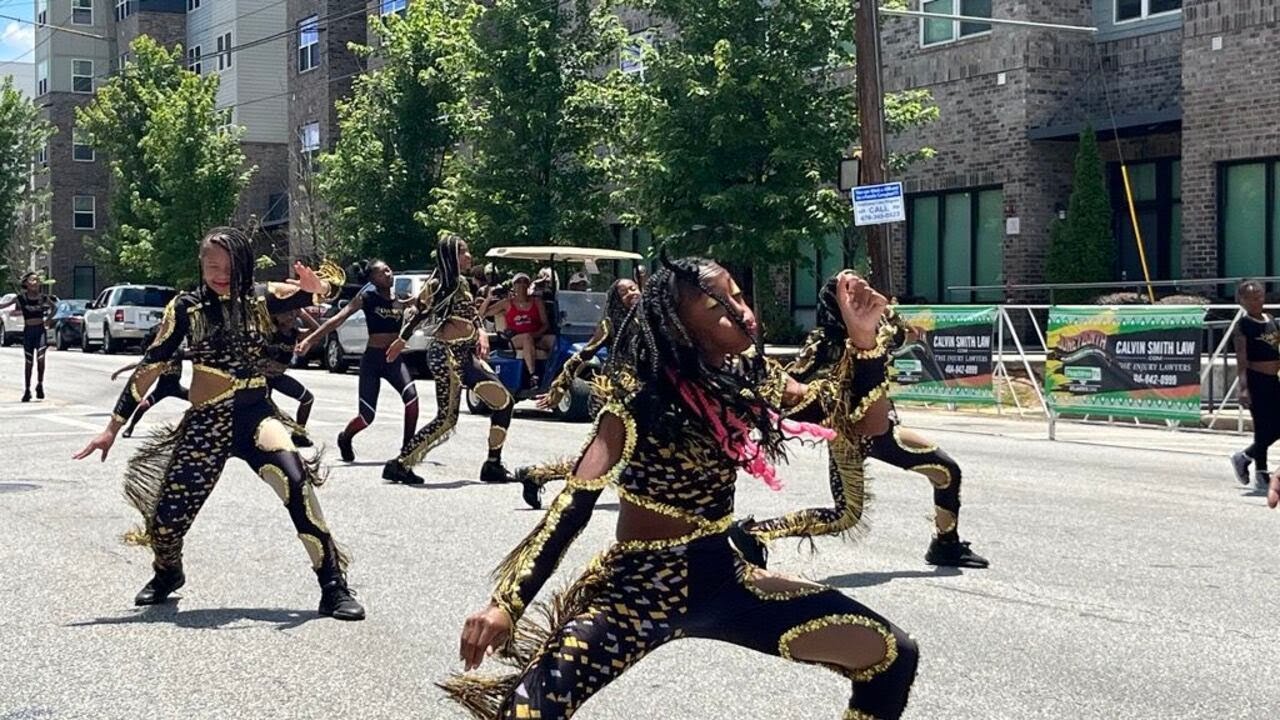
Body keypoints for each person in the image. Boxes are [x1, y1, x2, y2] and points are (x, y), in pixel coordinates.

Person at [442, 256, 918, 720]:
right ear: (680, 327)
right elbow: (574, 503)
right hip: (640, 590)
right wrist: (507, 603)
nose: (742, 312)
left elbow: (862, 425)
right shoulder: (641, 396)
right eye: (720, 308)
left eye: (737, 296)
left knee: (892, 654)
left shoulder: (748, 375)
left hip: (722, 577)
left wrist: (864, 341)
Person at [73, 227, 363, 621]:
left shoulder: (261, 297)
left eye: (227, 266)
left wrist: (319, 289)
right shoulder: (186, 307)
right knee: (165, 523)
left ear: (242, 265)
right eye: (211, 266)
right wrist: (111, 427)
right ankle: (168, 572)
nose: (219, 273)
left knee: (297, 486)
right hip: (206, 424)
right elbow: (153, 363)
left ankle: (333, 586)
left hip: (255, 416)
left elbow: (311, 291)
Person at [735, 272, 989, 570]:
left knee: (946, 470)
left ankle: (946, 545)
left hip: (882, 430)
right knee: (846, 516)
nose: (861, 296)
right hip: (848, 437)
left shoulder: (878, 328)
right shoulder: (824, 344)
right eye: (851, 294)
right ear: (837, 303)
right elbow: (797, 385)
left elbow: (904, 333)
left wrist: (889, 318)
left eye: (863, 289)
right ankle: (755, 533)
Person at [385, 235, 515, 485]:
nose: (469, 256)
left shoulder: (464, 283)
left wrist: (480, 333)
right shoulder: (438, 284)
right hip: (445, 354)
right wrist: (402, 339)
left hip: (466, 355)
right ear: (451, 257)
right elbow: (419, 312)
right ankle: (399, 464)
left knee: (504, 403)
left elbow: (472, 315)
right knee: (447, 418)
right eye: (463, 252)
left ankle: (493, 465)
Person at [515, 278, 642, 510]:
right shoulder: (609, 324)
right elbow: (580, 357)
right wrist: (559, 387)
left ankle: (536, 475)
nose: (632, 293)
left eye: (634, 288)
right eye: (625, 292)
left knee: (619, 459)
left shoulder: (646, 321)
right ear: (616, 299)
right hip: (614, 398)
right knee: (606, 459)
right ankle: (537, 475)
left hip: (639, 397)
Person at [297, 260, 419, 464]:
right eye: (382, 273)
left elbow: (422, 306)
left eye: (389, 269)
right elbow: (337, 319)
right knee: (366, 417)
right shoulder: (367, 297)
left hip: (394, 359)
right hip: (373, 360)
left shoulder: (401, 299)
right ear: (372, 279)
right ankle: (345, 437)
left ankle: (407, 453)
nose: (388, 274)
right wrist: (310, 339)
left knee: (412, 400)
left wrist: (417, 305)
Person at [1230, 280, 1280, 491]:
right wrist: (1244, 388)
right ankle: (1261, 472)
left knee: (1275, 426)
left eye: (1259, 296)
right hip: (1255, 380)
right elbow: (1242, 359)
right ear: (1242, 301)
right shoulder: (1243, 326)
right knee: (1262, 428)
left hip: (1273, 380)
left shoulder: (1272, 320)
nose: (1256, 301)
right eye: (1250, 298)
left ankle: (1244, 456)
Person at [112, 325, 189, 439]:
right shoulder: (159, 354)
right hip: (161, 389)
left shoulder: (179, 351)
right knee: (143, 406)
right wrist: (119, 371)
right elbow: (139, 364)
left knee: (200, 401)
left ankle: (180, 430)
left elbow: (194, 355)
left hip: (176, 387)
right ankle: (130, 427)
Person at [481, 272, 553, 387]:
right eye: (518, 282)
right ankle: (533, 375)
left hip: (537, 336)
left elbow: (545, 324)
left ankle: (554, 374)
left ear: (529, 285)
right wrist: (489, 297)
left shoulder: (537, 302)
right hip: (515, 339)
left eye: (525, 282)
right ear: (513, 286)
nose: (522, 285)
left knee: (554, 341)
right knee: (527, 338)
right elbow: (482, 314)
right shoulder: (507, 303)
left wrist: (536, 334)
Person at [264, 308, 320, 448]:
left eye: (292, 314)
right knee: (266, 408)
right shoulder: (270, 331)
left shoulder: (295, 333)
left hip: (278, 377)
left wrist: (301, 312)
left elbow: (316, 330)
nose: (290, 317)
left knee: (307, 398)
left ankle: (298, 434)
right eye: (286, 313)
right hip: (263, 377)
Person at [0, 273, 56, 402]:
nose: (35, 282)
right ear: (26, 283)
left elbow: (55, 307)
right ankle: (27, 390)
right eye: (32, 280)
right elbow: (4, 306)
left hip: (40, 331)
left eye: (37, 280)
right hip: (28, 331)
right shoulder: (21, 298)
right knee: (29, 362)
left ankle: (40, 384)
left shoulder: (43, 298)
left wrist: (48, 320)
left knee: (41, 359)